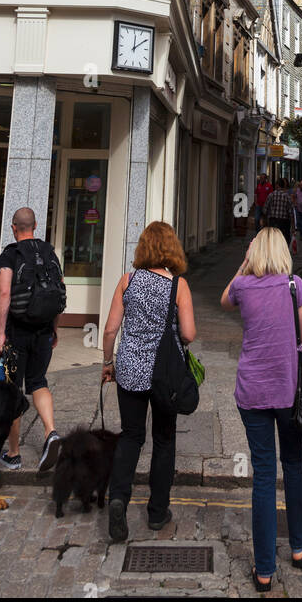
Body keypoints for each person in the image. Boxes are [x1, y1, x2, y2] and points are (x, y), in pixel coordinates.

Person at [221, 227, 302, 592]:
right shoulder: (294, 285)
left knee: (263, 476)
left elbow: (223, 300)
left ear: (254, 254)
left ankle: (264, 571)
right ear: (284, 251)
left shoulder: (242, 287)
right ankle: (299, 547)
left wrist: (244, 262)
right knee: (293, 466)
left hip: (252, 392)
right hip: (289, 392)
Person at [101, 221, 196, 542]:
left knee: (130, 436)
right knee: (164, 441)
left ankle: (118, 499)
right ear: (171, 249)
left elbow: (111, 330)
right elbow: (188, 334)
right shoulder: (178, 286)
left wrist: (108, 362)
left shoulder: (127, 281)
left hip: (129, 370)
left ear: (143, 248)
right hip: (164, 375)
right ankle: (157, 512)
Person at [0, 207, 62, 474]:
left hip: (17, 332)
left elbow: (4, 293)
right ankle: (51, 432)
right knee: (38, 382)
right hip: (44, 330)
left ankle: (13, 454)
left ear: (13, 228)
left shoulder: (10, 254)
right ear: (36, 226)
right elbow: (58, 292)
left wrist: (1, 334)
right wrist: (55, 329)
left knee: (13, 390)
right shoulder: (49, 252)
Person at [264, 176, 294, 245]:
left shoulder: (271, 195)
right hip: (284, 222)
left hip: (273, 221)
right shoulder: (287, 196)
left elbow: (265, 210)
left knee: (273, 239)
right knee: (284, 239)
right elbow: (291, 213)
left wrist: (265, 221)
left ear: (277, 185)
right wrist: (293, 227)